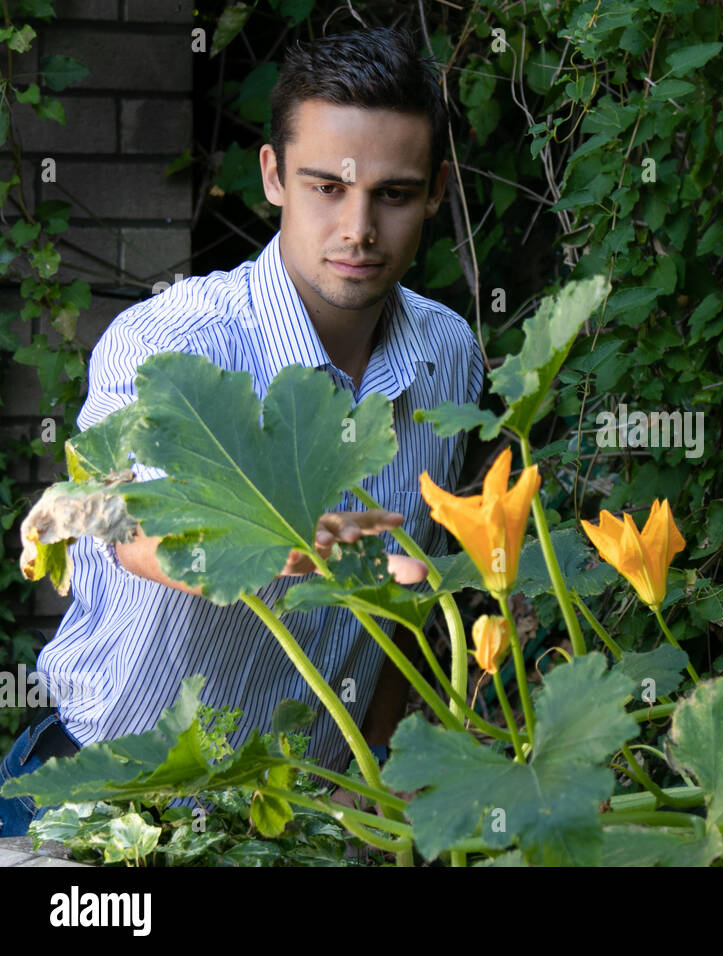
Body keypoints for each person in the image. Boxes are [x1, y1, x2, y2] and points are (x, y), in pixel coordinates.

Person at [0, 26, 482, 838]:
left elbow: (403, 595)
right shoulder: (171, 342)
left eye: (392, 194)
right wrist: (295, 542)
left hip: (300, 823)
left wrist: (377, 760)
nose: (358, 228)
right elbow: (129, 528)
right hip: (105, 803)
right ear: (272, 176)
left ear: (435, 191)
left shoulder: (448, 355)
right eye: (326, 186)